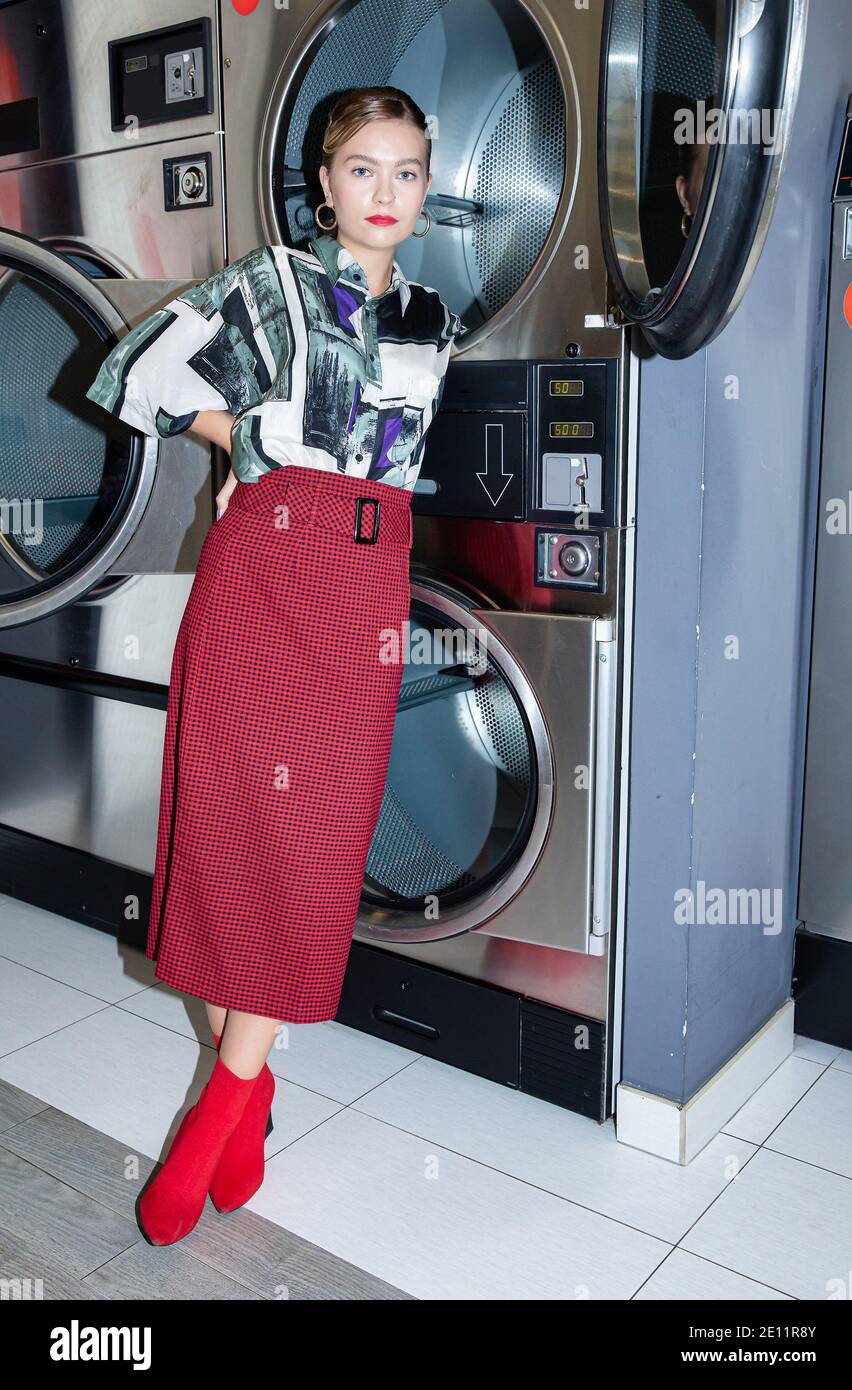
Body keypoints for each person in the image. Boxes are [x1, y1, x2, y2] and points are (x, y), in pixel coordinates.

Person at [85, 85, 464, 1246]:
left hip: (361, 586)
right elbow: (136, 372)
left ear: (424, 186)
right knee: (224, 829)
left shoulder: (435, 316)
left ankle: (229, 1100)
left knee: (306, 845)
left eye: (406, 172)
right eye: (363, 170)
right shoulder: (275, 284)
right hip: (265, 566)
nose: (385, 193)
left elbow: (392, 462)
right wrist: (241, 437)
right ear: (324, 182)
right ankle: (230, 1107)